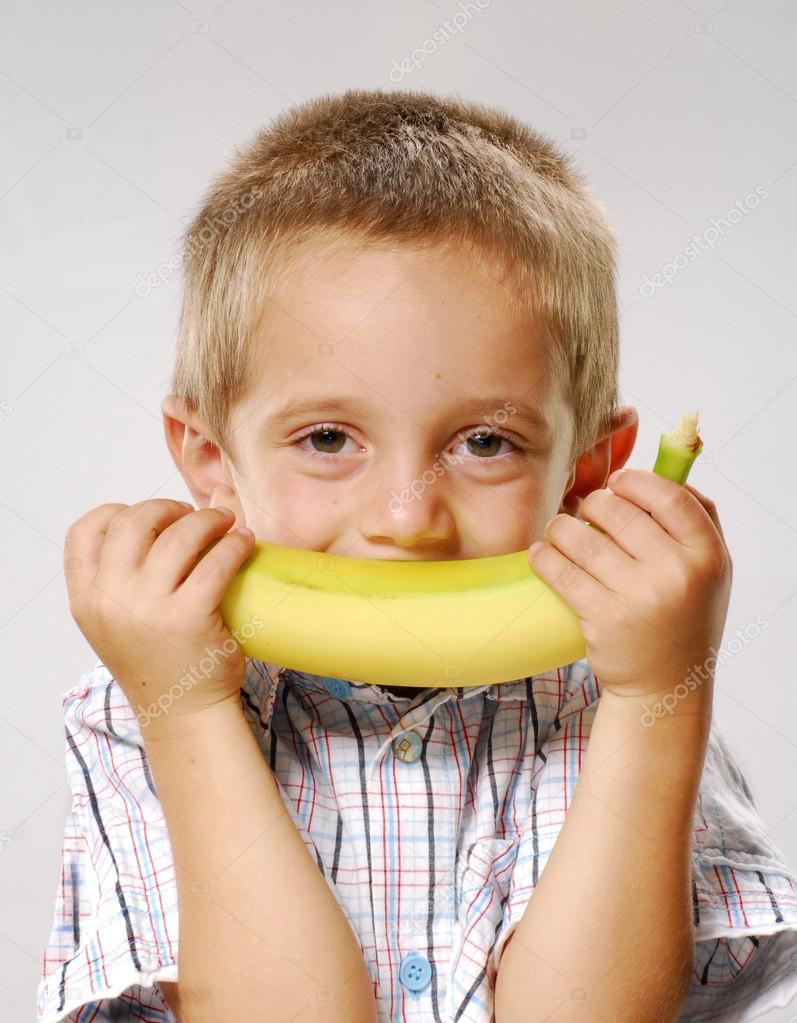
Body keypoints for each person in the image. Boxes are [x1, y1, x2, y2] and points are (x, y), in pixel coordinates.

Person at [37, 89, 797, 1022]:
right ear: (211, 461)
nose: (407, 520)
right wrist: (185, 707)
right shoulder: (138, 706)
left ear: (585, 471)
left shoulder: (633, 686)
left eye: (483, 442)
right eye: (326, 438)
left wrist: (653, 700)